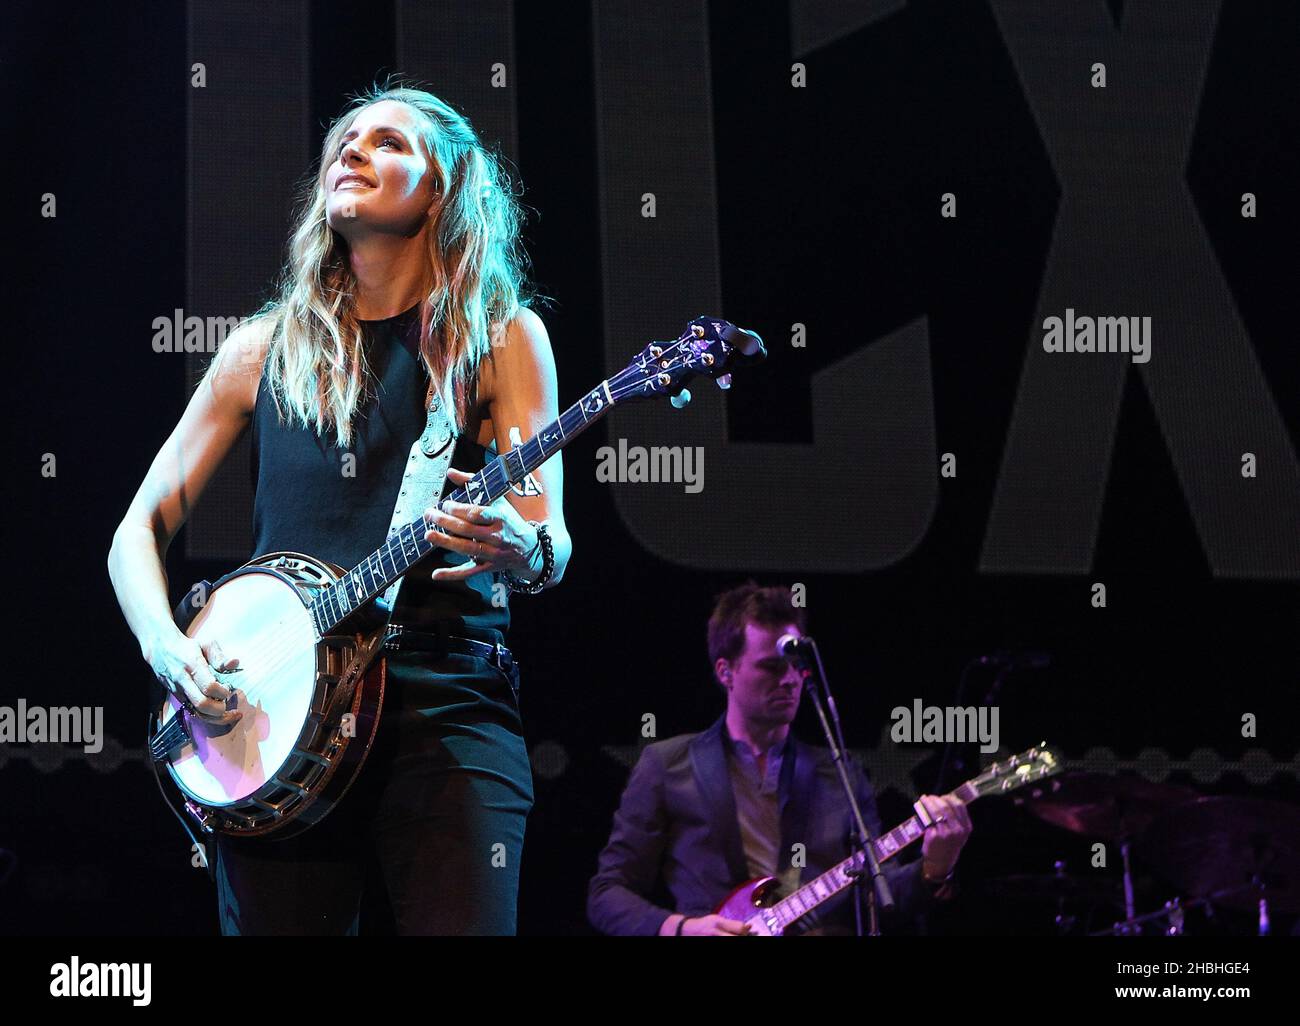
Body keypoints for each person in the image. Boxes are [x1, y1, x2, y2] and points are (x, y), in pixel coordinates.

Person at [108, 82, 571, 935]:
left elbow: (551, 544)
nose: (353, 150)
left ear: (441, 190)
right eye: (345, 140)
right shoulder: (259, 349)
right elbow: (136, 530)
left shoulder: (502, 336)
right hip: (274, 713)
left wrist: (520, 542)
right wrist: (167, 648)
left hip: (445, 707)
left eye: (390, 142)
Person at [587, 583, 971, 936]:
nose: (789, 679)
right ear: (726, 671)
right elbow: (607, 894)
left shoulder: (839, 773)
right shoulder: (667, 766)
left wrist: (935, 867)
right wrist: (682, 928)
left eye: (795, 666)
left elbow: (881, 896)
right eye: (770, 666)